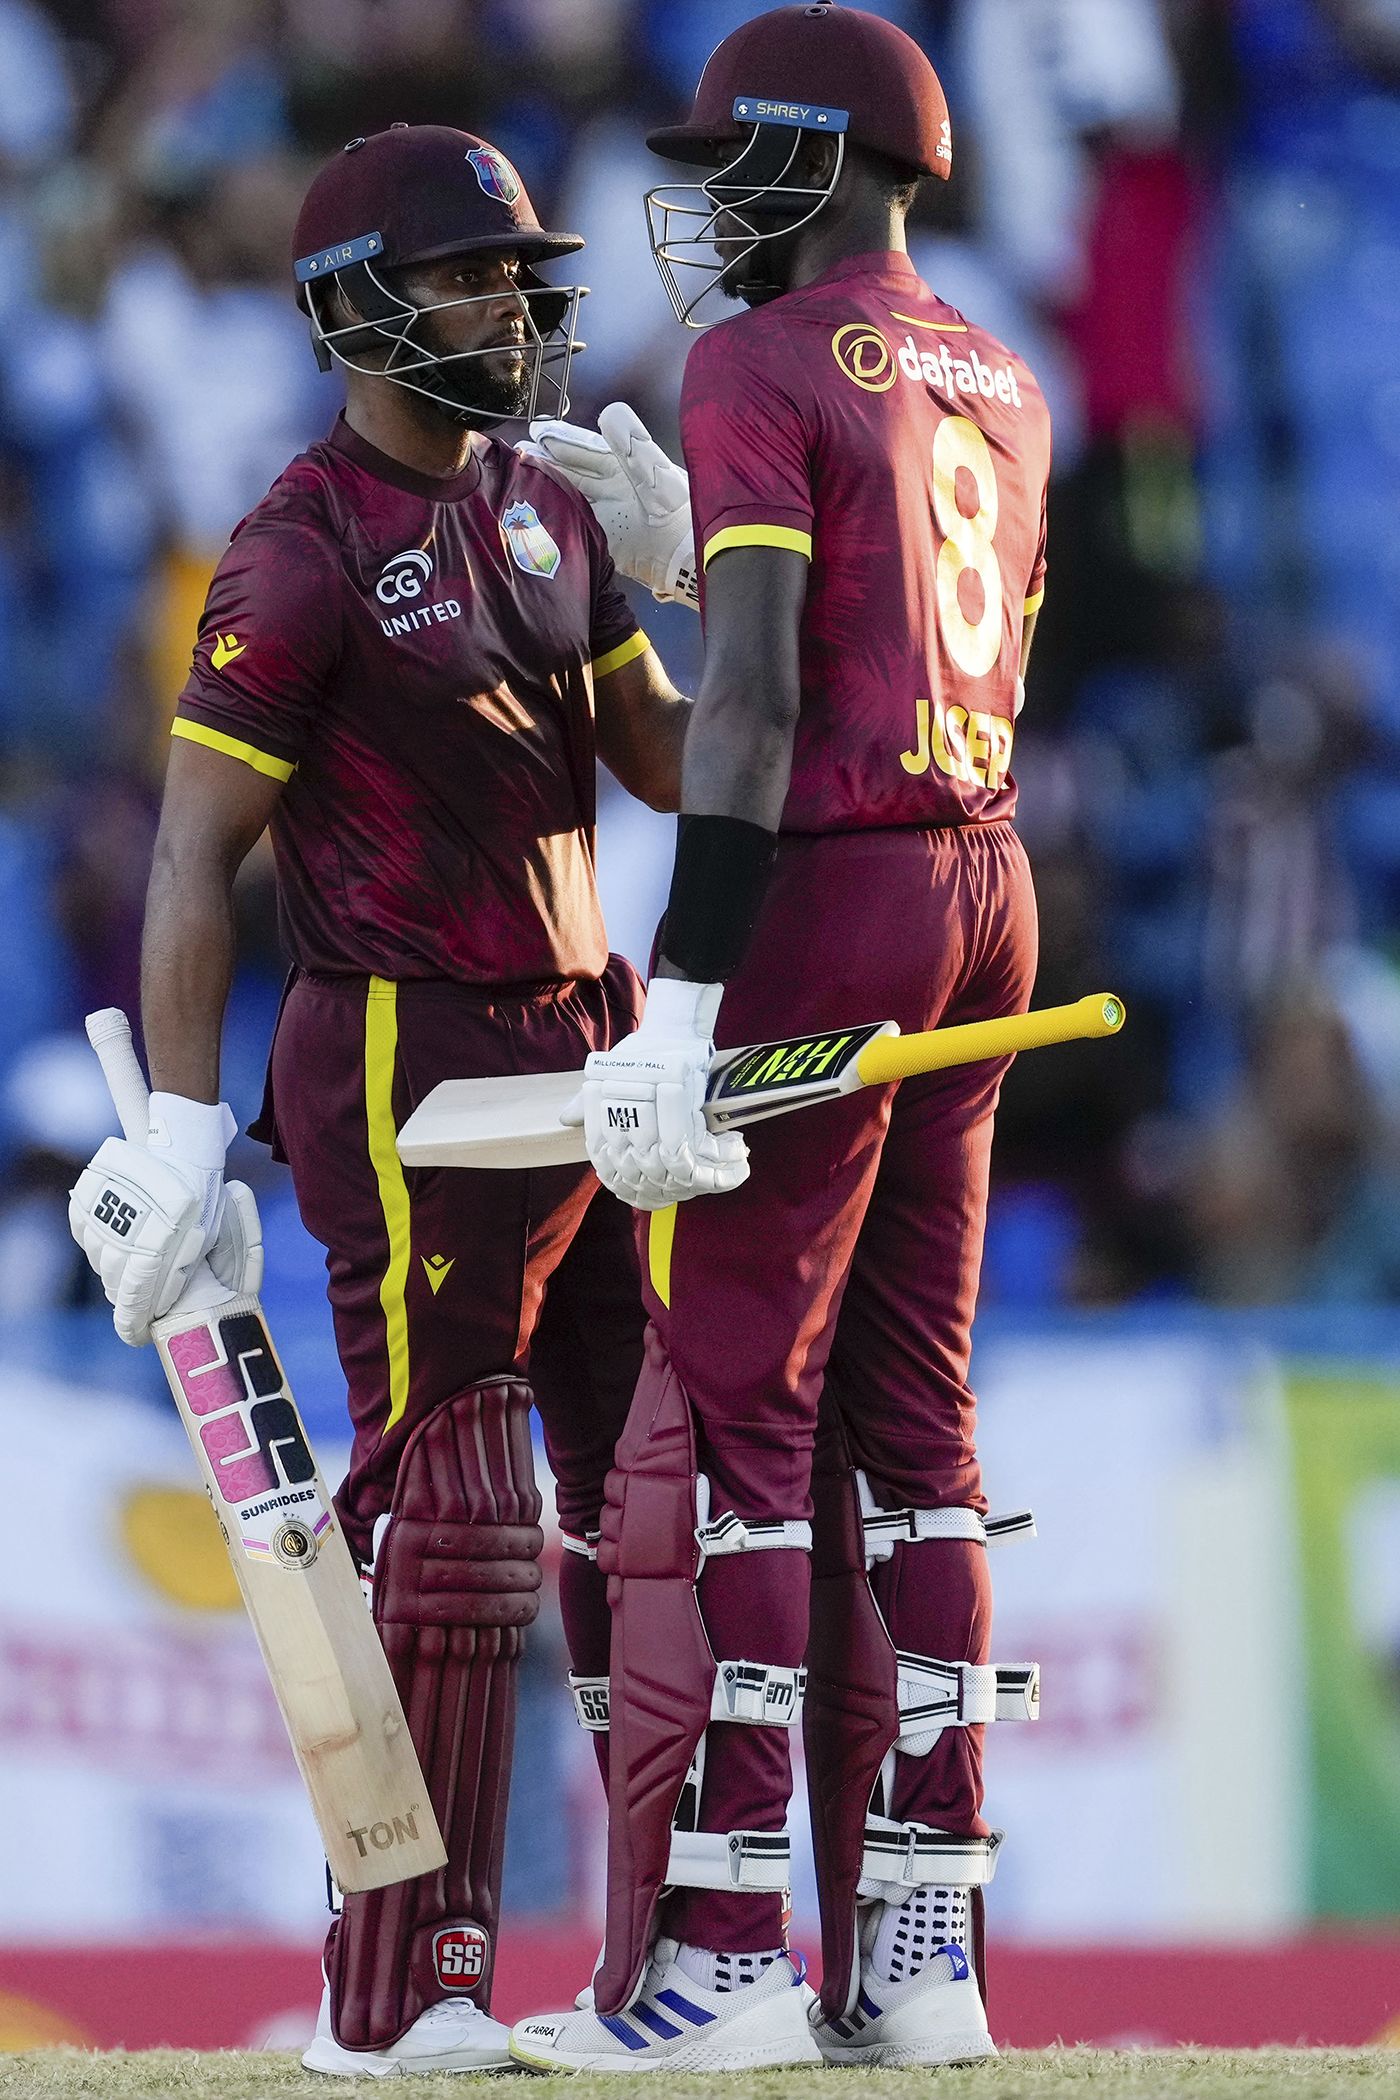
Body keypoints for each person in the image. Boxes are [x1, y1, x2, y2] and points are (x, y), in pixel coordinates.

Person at [67, 124, 691, 2077]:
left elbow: (672, 768)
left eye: (522, 276)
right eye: (469, 278)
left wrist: (706, 583)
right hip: (409, 1061)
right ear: (360, 310)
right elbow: (193, 859)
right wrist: (176, 1128)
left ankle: (666, 1969)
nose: (512, 305)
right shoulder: (297, 545)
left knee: (645, 1504)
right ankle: (399, 1989)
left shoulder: (549, 505)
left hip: (586, 1044)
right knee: (466, 1504)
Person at [511, 4, 1050, 2071]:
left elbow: (742, 712)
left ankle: (729, 1949)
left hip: (825, 892)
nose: (709, 199)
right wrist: (683, 559)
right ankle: (924, 1959)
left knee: (740, 1405)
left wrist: (699, 986)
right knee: (917, 1433)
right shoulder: (997, 368)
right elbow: (877, 638)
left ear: (825, 159)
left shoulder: (753, 356)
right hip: (985, 884)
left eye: (738, 157)